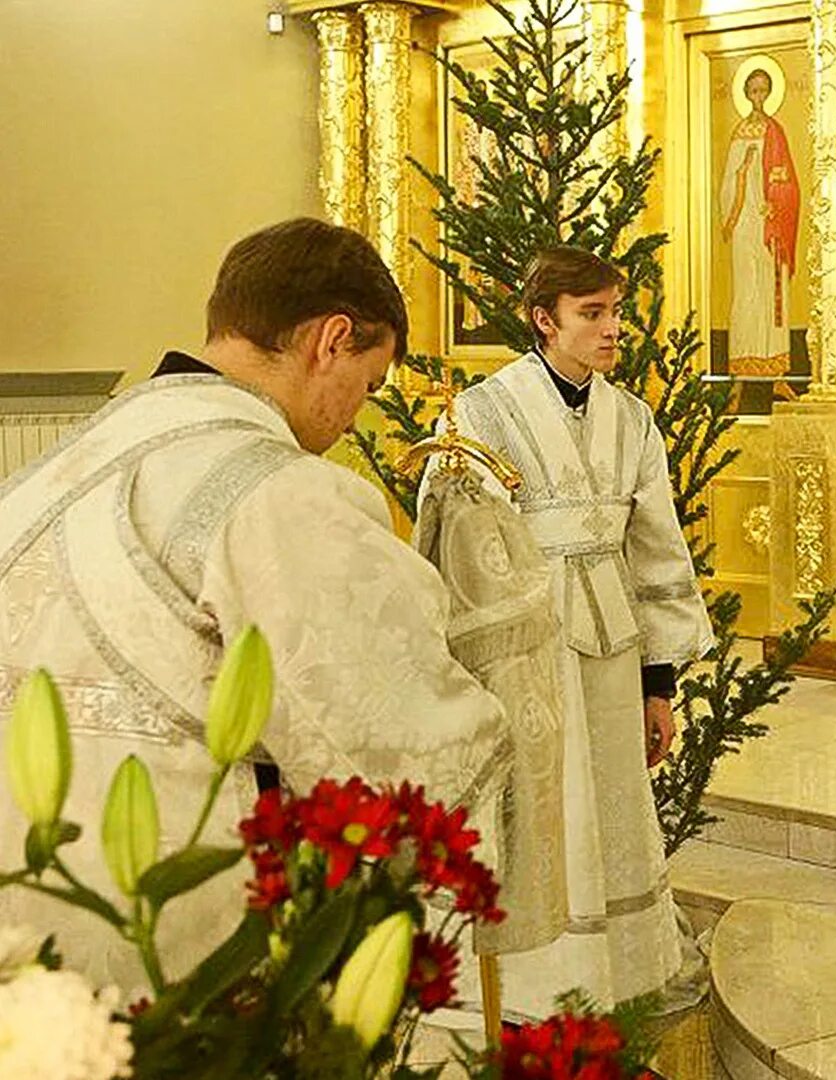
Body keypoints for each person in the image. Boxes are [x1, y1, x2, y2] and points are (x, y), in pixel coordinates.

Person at [0, 218, 509, 989]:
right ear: (332, 339)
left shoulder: (68, 458)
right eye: (369, 384)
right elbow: (402, 744)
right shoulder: (279, 491)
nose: (356, 415)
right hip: (160, 942)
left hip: (24, 920)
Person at [439, 246, 715, 1016]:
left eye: (616, 311)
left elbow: (657, 552)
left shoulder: (631, 419)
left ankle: (620, 970)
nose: (612, 328)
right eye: (591, 313)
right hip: (527, 656)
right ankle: (538, 980)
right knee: (545, 806)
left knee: (615, 802)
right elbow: (463, 549)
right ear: (544, 319)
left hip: (615, 651)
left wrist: (658, 686)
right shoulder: (483, 413)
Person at [719, 65, 802, 377]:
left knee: (769, 288)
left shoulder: (774, 131)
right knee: (746, 288)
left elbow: (789, 182)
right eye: (753, 91)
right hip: (744, 221)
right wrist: (742, 172)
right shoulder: (739, 132)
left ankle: (774, 366)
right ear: (746, 94)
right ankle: (742, 364)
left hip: (768, 223)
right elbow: (728, 182)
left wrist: (775, 204)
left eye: (763, 90)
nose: (758, 97)